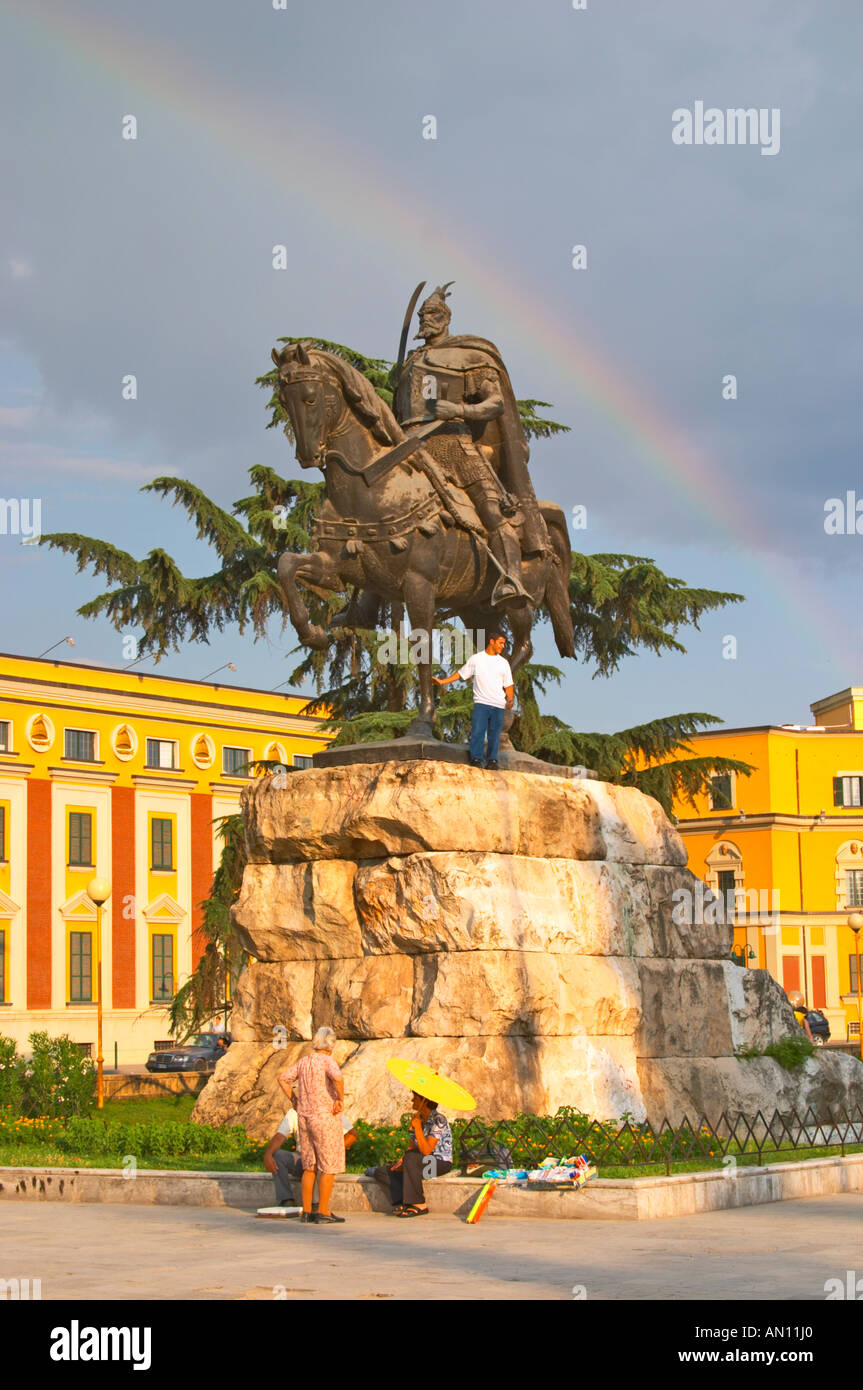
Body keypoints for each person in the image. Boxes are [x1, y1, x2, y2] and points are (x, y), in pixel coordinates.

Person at [278, 1027, 347, 1224]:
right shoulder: (327, 1061)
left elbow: (282, 1078)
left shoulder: (304, 1061)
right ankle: (323, 1210)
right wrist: (339, 1099)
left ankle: (307, 1211)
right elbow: (338, 1078)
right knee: (328, 1164)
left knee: (310, 1165)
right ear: (331, 1044)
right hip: (324, 1117)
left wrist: (294, 1099)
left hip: (305, 1117)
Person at [433, 629, 514, 769]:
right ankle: (476, 759)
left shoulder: (503, 663)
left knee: (494, 735)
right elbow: (460, 674)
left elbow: (508, 684)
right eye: (500, 643)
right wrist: (442, 682)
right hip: (482, 703)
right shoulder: (477, 659)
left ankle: (492, 761)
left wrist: (510, 699)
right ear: (492, 641)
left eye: (504, 644)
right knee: (478, 731)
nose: (503, 646)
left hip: (498, 705)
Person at [263, 1097, 358, 1207]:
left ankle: (316, 1205)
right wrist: (268, 1154)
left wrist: (333, 1150)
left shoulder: (330, 1110)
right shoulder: (295, 1112)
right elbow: (281, 1135)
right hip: (301, 1157)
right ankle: (286, 1200)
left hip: (322, 1156)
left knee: (319, 1159)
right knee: (277, 1156)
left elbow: (352, 1135)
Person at [370, 1090, 453, 1217]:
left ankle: (419, 1204)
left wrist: (418, 1128)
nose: (412, 1100)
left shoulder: (439, 1120)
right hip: (418, 1163)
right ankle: (403, 1202)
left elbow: (426, 1150)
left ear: (424, 1101)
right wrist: (401, 1163)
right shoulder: (418, 1118)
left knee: (411, 1159)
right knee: (382, 1172)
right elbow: (411, 1148)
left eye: (415, 1098)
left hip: (438, 1164)